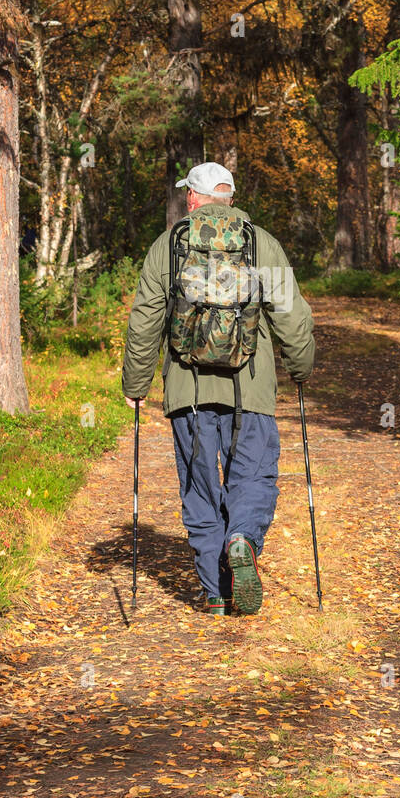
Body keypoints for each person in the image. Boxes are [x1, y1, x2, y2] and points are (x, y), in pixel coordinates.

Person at [122, 161, 315, 616]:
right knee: (253, 475)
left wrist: (136, 382)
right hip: (251, 388)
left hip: (187, 391)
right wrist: (301, 367)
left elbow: (146, 317)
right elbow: (289, 311)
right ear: (229, 198)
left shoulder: (168, 246)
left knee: (200, 484)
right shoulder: (260, 242)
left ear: (193, 198)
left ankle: (215, 591)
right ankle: (242, 538)